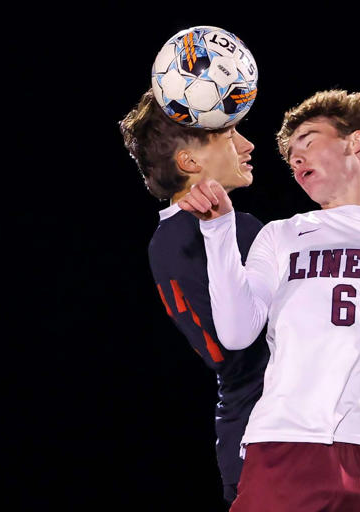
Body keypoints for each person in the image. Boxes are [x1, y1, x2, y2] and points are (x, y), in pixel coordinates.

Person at [120, 89, 360, 508]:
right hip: (277, 442)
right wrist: (218, 229)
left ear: (356, 141)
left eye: (308, 141)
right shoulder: (278, 234)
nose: (294, 158)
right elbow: (235, 335)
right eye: (290, 154)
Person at [119, 89, 267, 504]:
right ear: (190, 162)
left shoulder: (163, 240)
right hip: (273, 434)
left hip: (239, 435)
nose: (247, 145)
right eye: (230, 134)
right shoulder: (237, 229)